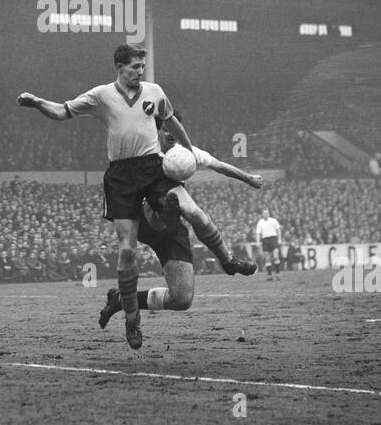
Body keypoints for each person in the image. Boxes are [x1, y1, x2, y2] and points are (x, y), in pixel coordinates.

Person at [17, 43, 248, 350]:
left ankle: (221, 255)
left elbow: (170, 119)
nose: (140, 72)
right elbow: (62, 111)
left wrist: (189, 148)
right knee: (126, 252)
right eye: (134, 67)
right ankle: (131, 318)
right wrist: (35, 102)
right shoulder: (101, 95)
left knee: (190, 218)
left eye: (142, 66)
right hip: (121, 178)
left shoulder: (154, 92)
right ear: (119, 66)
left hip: (153, 169)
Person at [97, 117, 263, 329]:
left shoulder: (186, 152)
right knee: (161, 207)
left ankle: (119, 300)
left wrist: (248, 178)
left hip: (172, 231)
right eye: (166, 129)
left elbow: (220, 166)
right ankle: (164, 211)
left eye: (174, 129)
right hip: (143, 218)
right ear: (156, 131)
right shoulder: (143, 152)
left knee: (182, 298)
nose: (170, 133)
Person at [255, 207, 283, 280]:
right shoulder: (260, 223)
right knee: (267, 259)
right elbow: (258, 233)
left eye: (267, 213)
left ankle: (278, 273)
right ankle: (270, 275)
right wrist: (258, 242)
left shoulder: (273, 220)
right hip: (265, 240)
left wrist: (279, 239)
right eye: (264, 213)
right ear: (262, 214)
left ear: (269, 213)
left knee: (276, 256)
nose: (266, 214)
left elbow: (278, 230)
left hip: (273, 239)